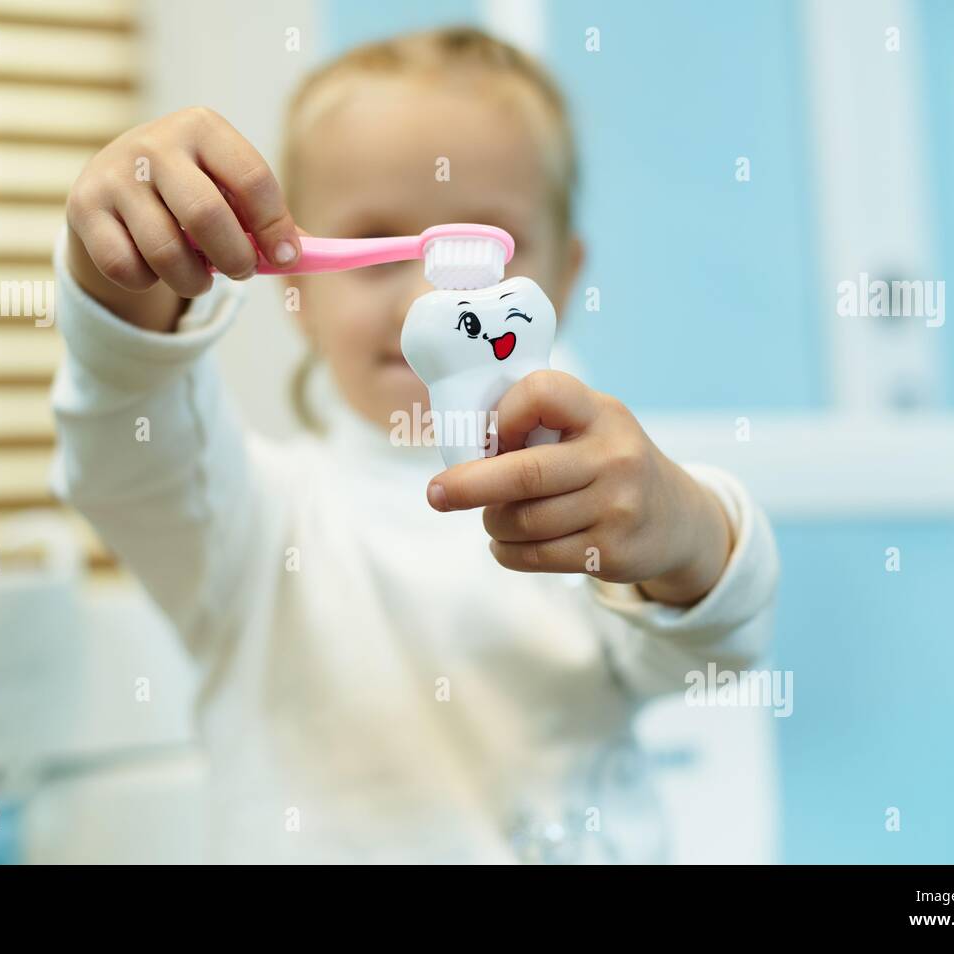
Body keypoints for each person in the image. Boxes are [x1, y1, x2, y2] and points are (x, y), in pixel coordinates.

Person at [52, 26, 779, 862]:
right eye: (376, 252)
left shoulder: (600, 500)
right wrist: (114, 269)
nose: (432, 303)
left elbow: (712, 649)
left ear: (566, 279)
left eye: (479, 255)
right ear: (297, 294)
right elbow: (128, 432)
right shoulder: (251, 524)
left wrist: (686, 528)